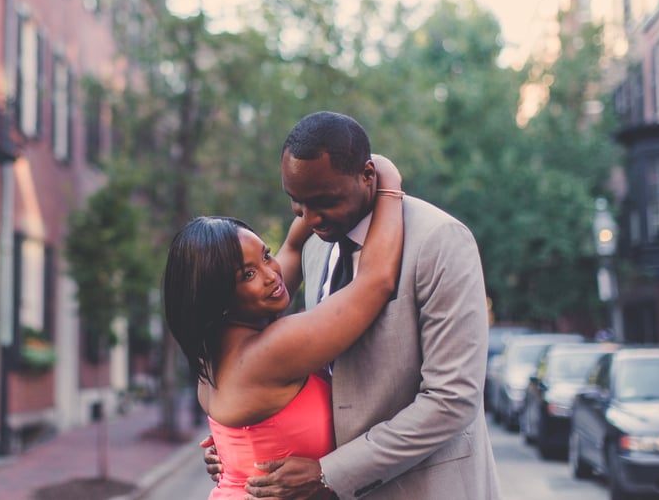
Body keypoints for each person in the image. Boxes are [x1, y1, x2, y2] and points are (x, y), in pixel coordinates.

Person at [204, 111, 502, 499]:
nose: (310, 219)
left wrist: (329, 472)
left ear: (366, 175)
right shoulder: (315, 243)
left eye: (323, 201)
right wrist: (250, 436)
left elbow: (451, 400)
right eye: (297, 203)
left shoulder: (439, 240)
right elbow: (325, 378)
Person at [163, 155, 406, 500]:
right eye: (247, 274)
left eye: (264, 254)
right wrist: (389, 183)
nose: (270, 274)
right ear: (217, 297)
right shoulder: (270, 351)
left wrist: (315, 193)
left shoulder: (212, 350)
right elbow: (376, 281)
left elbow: (292, 248)